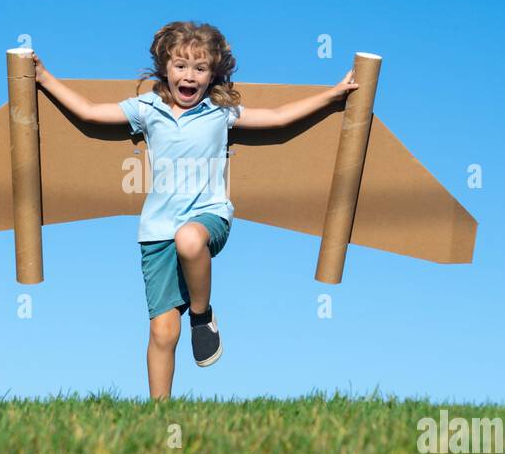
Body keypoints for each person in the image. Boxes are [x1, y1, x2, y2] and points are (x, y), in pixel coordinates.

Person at [33, 21, 357, 400]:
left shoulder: (221, 112)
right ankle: (159, 414)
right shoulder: (147, 109)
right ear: (165, 69)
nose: (189, 76)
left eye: (200, 68)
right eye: (181, 66)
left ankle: (202, 317)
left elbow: (280, 117)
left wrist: (333, 95)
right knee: (162, 332)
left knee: (189, 239)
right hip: (156, 232)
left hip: (208, 216)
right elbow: (88, 112)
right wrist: (43, 77)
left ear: (212, 74)